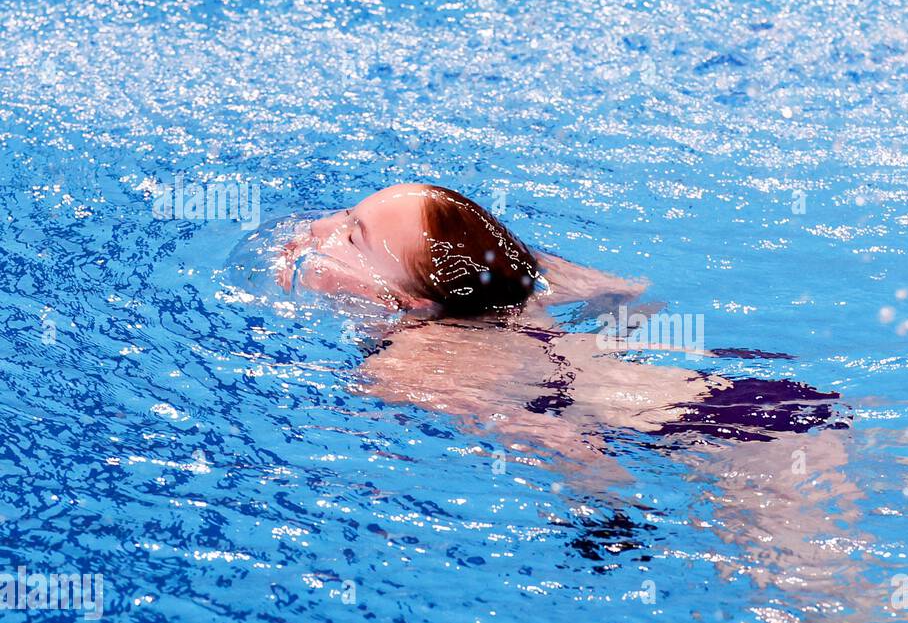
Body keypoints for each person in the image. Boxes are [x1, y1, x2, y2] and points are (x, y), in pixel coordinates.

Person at [274, 183, 860, 552]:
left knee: (824, 612)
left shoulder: (417, 359)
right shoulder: (522, 278)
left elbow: (554, 437)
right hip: (760, 398)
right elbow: (626, 292)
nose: (321, 229)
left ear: (410, 302)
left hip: (730, 433)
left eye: (350, 236)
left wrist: (610, 512)